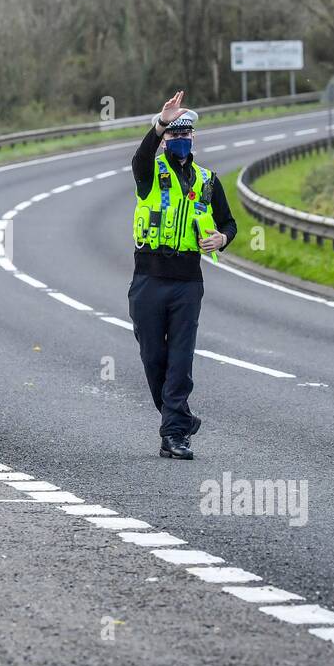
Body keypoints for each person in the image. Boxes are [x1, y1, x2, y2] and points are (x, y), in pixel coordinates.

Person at [129, 90, 236, 459]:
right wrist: (159, 124)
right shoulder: (150, 173)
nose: (179, 140)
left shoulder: (208, 180)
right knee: (152, 357)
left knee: (181, 360)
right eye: (173, 135)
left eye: (184, 135)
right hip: (148, 279)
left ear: (193, 139)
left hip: (188, 282)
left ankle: (175, 434)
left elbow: (229, 223)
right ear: (166, 140)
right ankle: (180, 420)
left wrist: (223, 238)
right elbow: (141, 155)